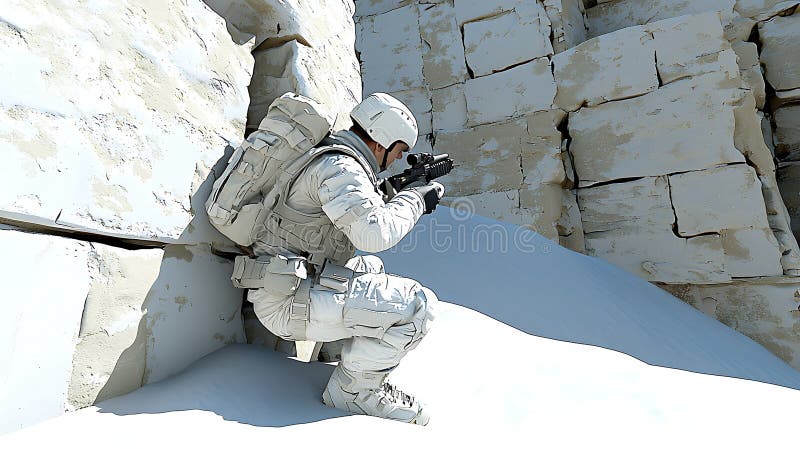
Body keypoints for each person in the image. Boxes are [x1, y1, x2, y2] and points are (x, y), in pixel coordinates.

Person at [246, 93, 444, 425]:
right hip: (286, 304)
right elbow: (373, 234)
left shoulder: (335, 161)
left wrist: (395, 188)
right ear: (381, 140)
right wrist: (415, 201)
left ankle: (334, 360)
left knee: (371, 270)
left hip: (286, 286)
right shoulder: (340, 168)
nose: (398, 158)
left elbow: (350, 211)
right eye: (398, 150)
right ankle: (354, 394)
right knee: (417, 307)